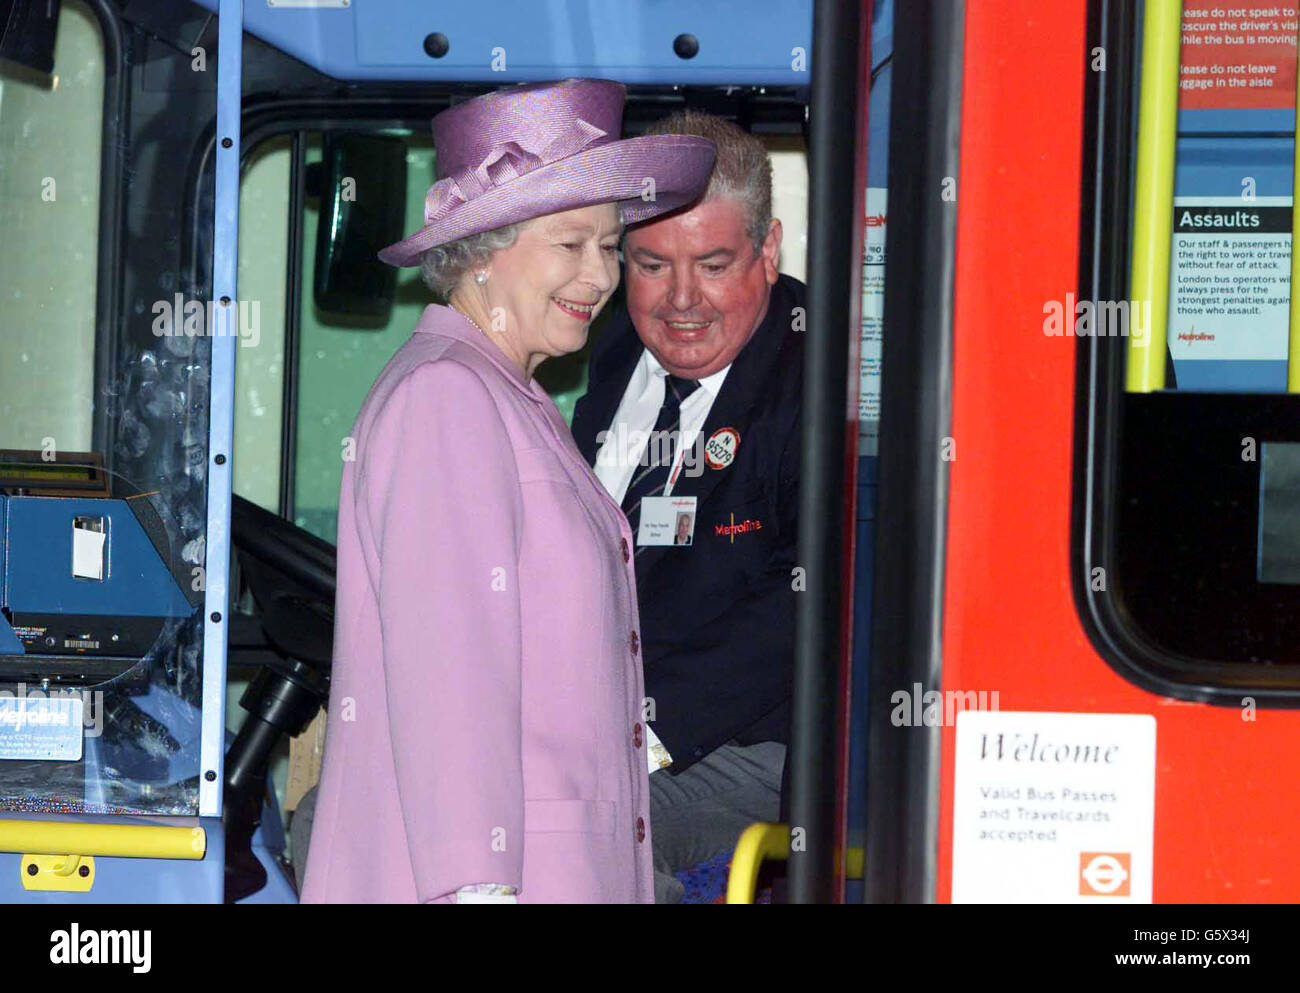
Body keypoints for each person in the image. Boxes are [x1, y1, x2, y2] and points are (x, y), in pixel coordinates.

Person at [298, 79, 714, 904]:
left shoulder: (507, 395)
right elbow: (449, 678)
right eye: (571, 244)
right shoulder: (448, 398)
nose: (599, 274)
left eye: (608, 243)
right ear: (483, 249)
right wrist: (477, 887)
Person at [571, 110, 804, 903]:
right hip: (580, 723)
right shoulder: (608, 357)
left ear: (768, 250)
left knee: (568, 846)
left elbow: (812, 598)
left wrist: (630, 732)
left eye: (711, 264)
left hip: (743, 746)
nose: (681, 302)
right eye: (649, 264)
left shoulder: (826, 373)